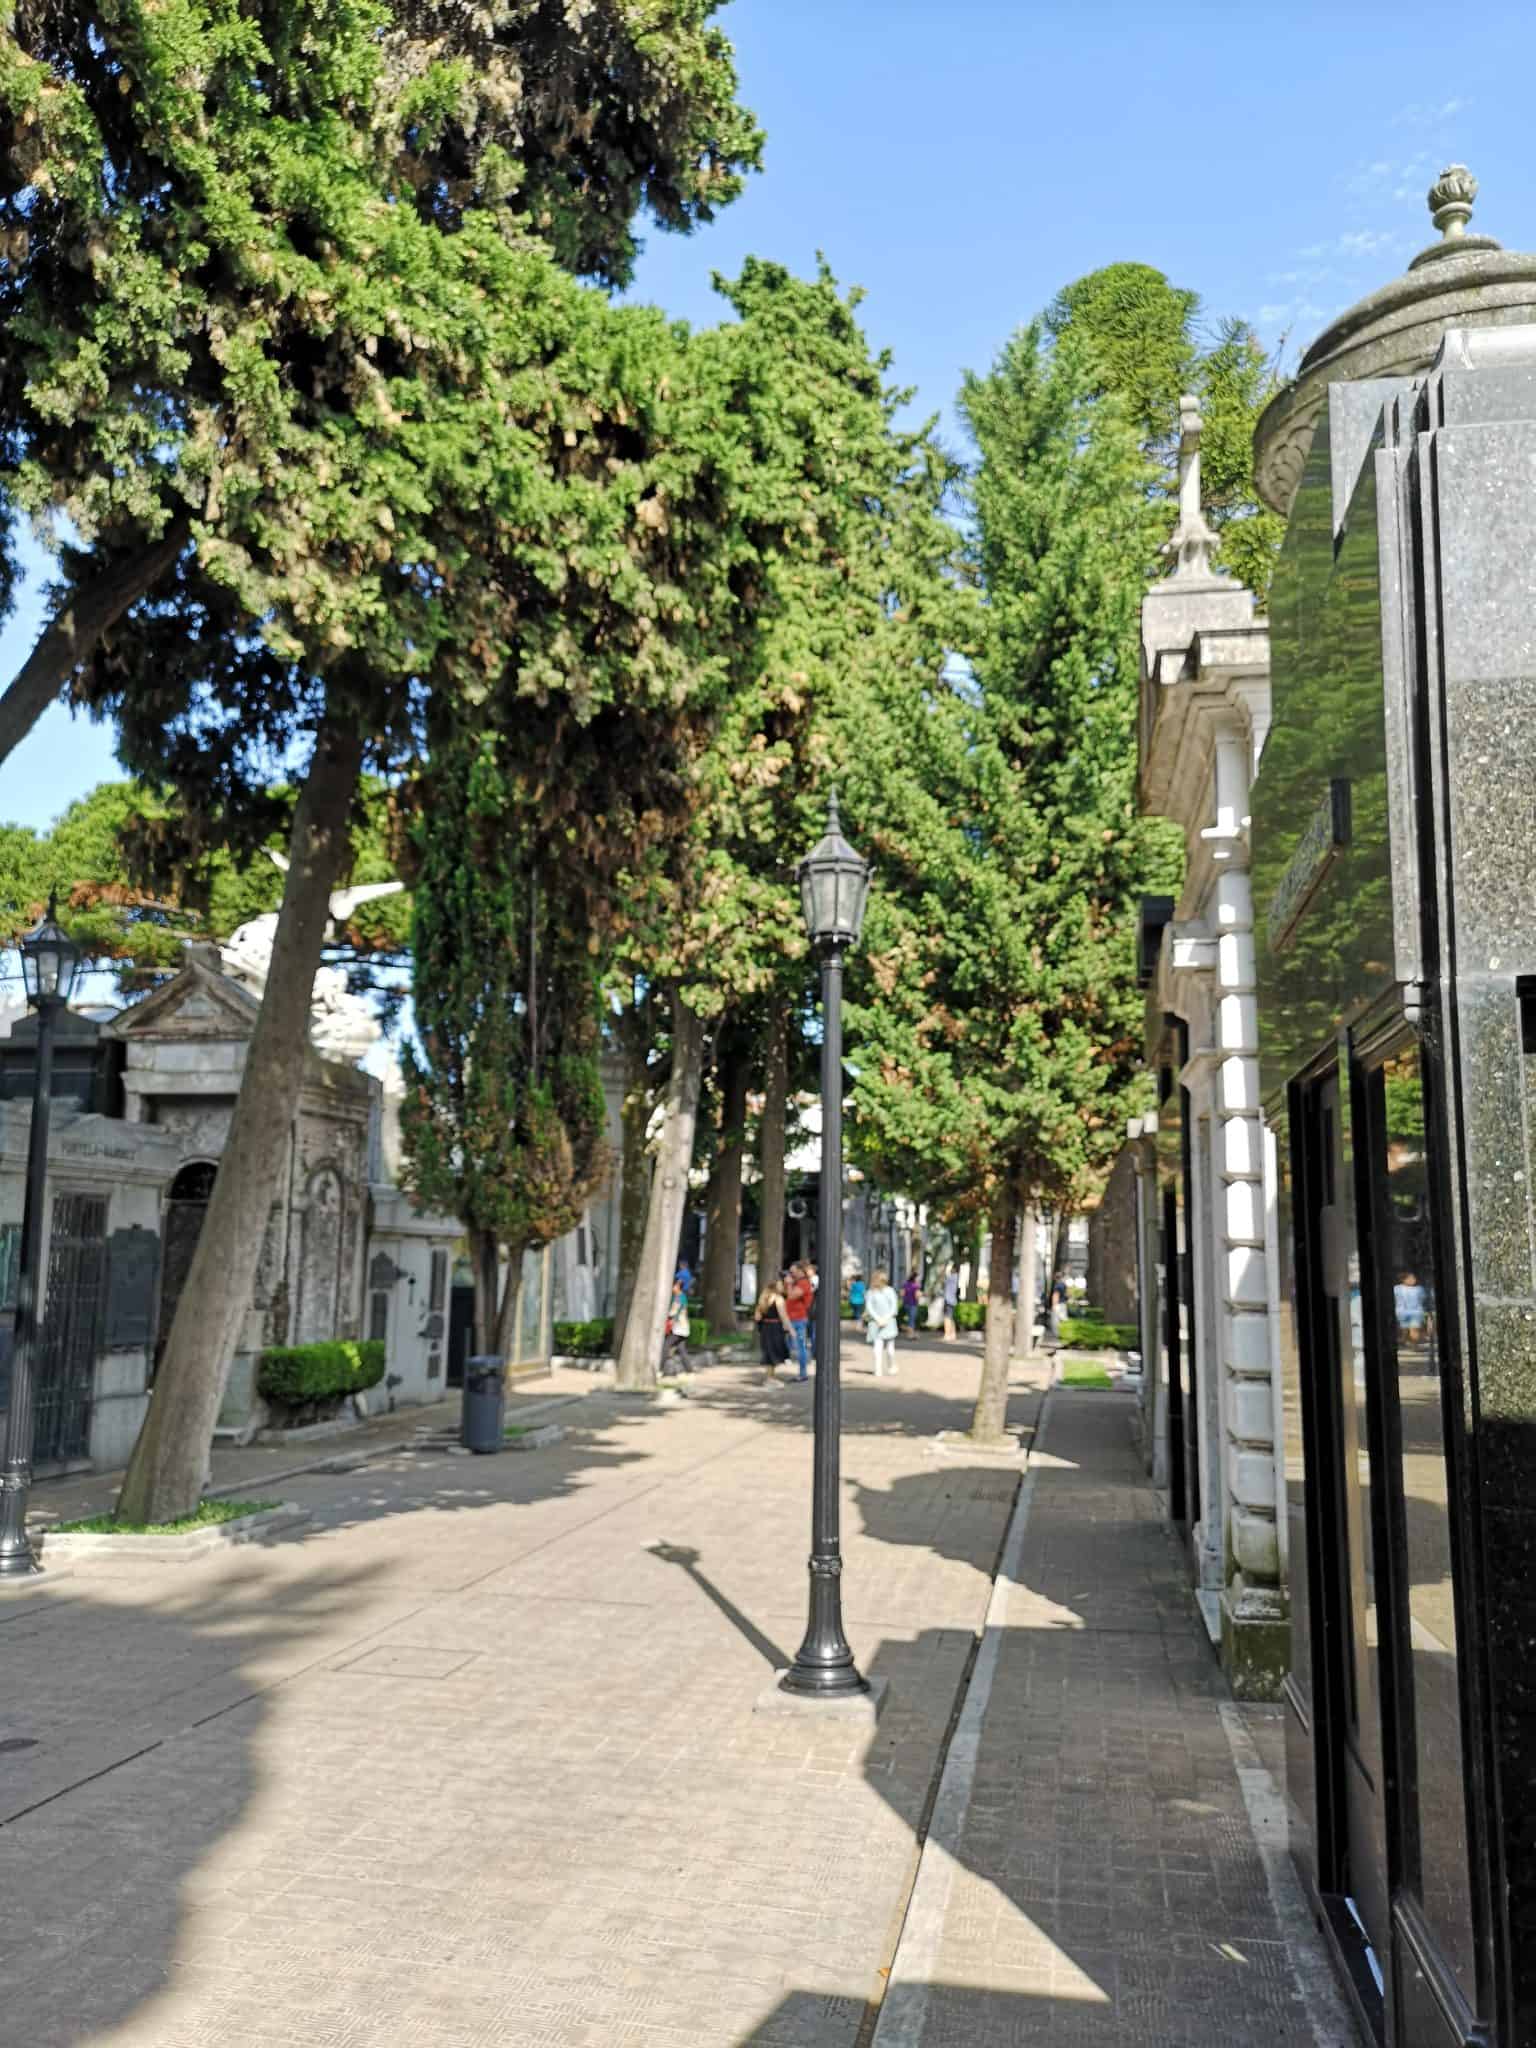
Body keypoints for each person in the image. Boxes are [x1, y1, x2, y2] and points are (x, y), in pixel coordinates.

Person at [754, 1280, 792, 1385]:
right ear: (775, 1287)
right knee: (774, 1353)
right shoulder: (778, 1299)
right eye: (780, 1285)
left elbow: (757, 1317)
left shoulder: (763, 1299)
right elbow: (783, 1316)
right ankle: (769, 1379)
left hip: (765, 1328)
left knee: (769, 1353)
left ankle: (770, 1377)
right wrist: (791, 1329)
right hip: (775, 1328)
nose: (782, 1287)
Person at [783, 1263, 814, 1381]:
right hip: (792, 1318)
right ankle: (802, 1371)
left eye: (793, 1272)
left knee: (800, 1347)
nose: (791, 1274)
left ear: (800, 1271)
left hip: (798, 1318)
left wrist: (789, 1283)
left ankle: (803, 1373)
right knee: (794, 1345)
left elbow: (791, 1296)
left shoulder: (803, 1283)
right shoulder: (798, 1283)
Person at [866, 1269, 899, 1377]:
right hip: (876, 1323)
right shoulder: (870, 1292)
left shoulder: (890, 1291)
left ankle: (891, 1366)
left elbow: (893, 1306)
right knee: (877, 1347)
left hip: (889, 1322)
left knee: (890, 1349)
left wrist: (886, 1318)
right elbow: (869, 1307)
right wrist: (877, 1319)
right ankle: (878, 1369)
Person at [662, 1276, 691, 1375]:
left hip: (678, 1328)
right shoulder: (681, 1297)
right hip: (683, 1328)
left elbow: (673, 1313)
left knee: (666, 1346)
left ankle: (660, 1369)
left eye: (674, 1285)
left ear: (678, 1286)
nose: (672, 1288)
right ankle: (689, 1370)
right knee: (681, 1349)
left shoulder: (679, 1298)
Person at [1395, 1270, 1428, 1346]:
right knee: (1404, 1331)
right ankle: (1405, 1343)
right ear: (1403, 1279)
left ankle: (1414, 1345)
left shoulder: (1419, 1289)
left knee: (1414, 1329)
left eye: (1414, 1278)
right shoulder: (1397, 1288)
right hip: (1401, 1313)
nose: (1413, 1280)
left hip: (1416, 1313)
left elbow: (1423, 1300)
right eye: (1410, 1278)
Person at [942, 1264, 959, 1343]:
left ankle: (947, 1335)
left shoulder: (953, 1277)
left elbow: (943, 1278)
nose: (950, 1270)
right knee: (951, 1318)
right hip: (952, 1300)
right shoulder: (955, 1277)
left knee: (947, 1318)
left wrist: (943, 1269)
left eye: (952, 1269)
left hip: (948, 1300)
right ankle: (953, 1334)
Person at [901, 1271, 921, 1335]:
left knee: (909, 1319)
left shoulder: (905, 1284)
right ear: (915, 1278)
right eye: (918, 1277)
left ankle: (909, 1332)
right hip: (913, 1304)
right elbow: (917, 1295)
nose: (919, 1279)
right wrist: (920, 1295)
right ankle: (910, 1334)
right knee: (912, 1319)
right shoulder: (916, 1285)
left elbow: (902, 1294)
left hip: (906, 1304)